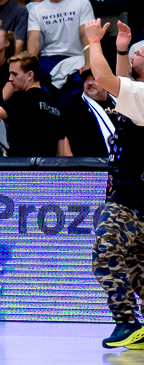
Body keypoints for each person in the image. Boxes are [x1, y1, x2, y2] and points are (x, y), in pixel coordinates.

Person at [80, 20, 144, 347]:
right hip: (137, 198)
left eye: (139, 53)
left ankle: (127, 322)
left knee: (104, 252)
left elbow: (106, 81)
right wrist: (120, 48)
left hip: (129, 198)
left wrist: (93, 41)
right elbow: (123, 85)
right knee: (136, 265)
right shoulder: (138, 95)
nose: (136, 54)